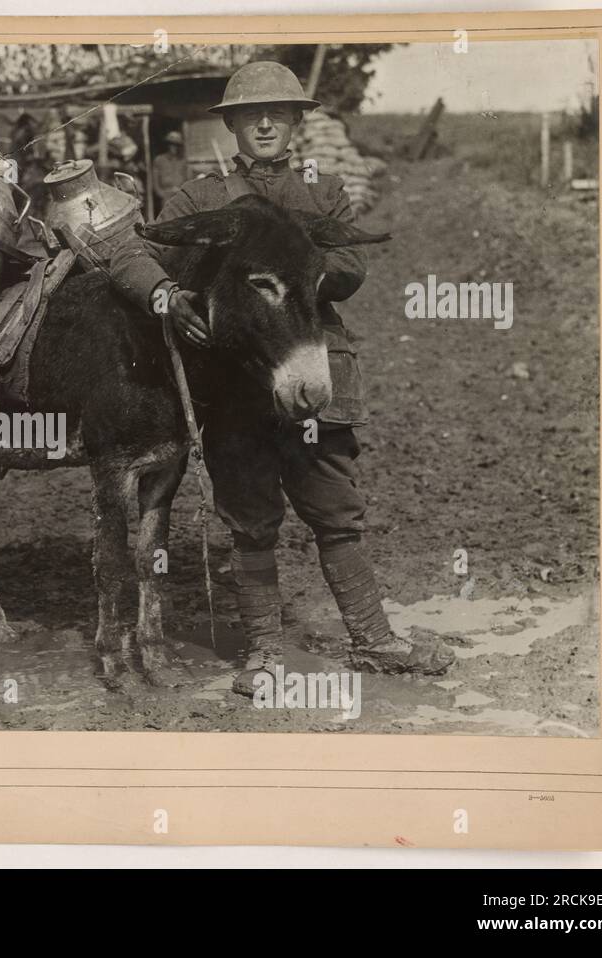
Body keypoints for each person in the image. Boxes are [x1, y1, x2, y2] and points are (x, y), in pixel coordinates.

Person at [108, 61, 454, 686]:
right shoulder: (200, 200)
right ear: (233, 124)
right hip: (232, 389)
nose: (264, 123)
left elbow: (351, 264)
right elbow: (131, 250)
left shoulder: (322, 196)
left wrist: (293, 267)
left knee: (335, 509)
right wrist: (167, 296)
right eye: (250, 114)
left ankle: (375, 640)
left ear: (297, 122)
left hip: (315, 373)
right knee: (248, 518)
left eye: (278, 113)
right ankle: (264, 653)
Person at [150, 131, 188, 214]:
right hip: (166, 195)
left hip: (180, 195)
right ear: (168, 145)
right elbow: (154, 180)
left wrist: (183, 192)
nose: (174, 147)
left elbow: (187, 178)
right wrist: (161, 194)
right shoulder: (159, 160)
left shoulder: (182, 161)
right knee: (167, 219)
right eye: (172, 144)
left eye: (177, 145)